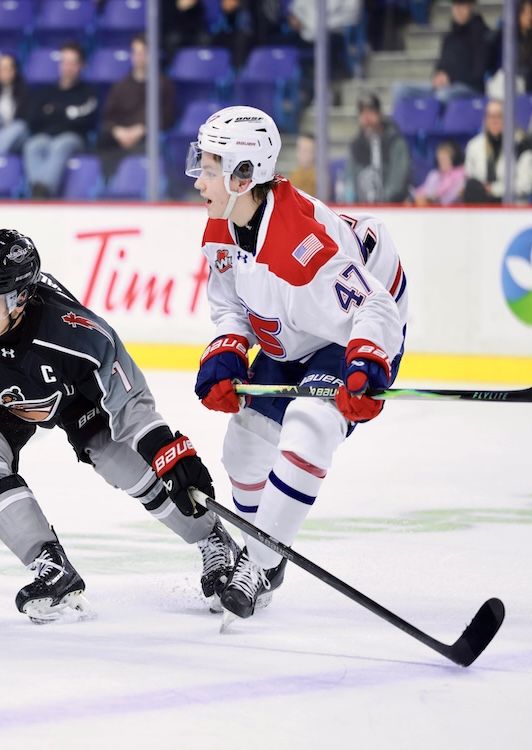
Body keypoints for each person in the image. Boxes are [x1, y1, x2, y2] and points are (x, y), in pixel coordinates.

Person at [0, 229, 241, 622]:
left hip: (73, 395)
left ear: (20, 299)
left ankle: (211, 537)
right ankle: (51, 568)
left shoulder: (73, 332)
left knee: (120, 461)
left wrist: (163, 450)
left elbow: (129, 399)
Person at [184, 106, 409, 619]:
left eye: (211, 168)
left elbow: (375, 307)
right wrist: (226, 347)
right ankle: (262, 551)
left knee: (309, 426)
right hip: (289, 341)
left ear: (245, 176)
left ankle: (260, 562)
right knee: (242, 449)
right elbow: (228, 305)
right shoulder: (222, 225)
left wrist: (369, 361)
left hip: (346, 336)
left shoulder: (303, 246)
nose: (200, 180)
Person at [22, 42, 98, 198]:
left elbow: (86, 121)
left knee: (61, 144)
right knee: (32, 145)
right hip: (46, 137)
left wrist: (54, 112)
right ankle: (38, 189)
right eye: (64, 62)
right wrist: (64, 114)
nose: (67, 67)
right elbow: (33, 120)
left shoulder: (88, 93)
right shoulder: (46, 91)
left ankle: (44, 190)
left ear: (81, 65)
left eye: (72, 62)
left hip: (74, 138)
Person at [97, 35, 176, 180]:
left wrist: (142, 129)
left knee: (151, 146)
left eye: (143, 52)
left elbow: (167, 117)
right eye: (136, 52)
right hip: (119, 137)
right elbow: (108, 117)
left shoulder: (163, 85)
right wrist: (117, 131)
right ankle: (106, 186)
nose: (139, 57)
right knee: (102, 141)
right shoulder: (120, 85)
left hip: (146, 136)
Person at [463, 98, 532, 203]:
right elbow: (470, 177)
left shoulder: (523, 145)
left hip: (513, 207)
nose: (494, 121)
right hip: (482, 205)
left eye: (499, 116)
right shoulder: (474, 145)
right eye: (490, 116)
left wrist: (493, 189)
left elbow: (525, 186)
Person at [345, 92, 411, 203]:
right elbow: (352, 180)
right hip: (364, 210)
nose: (367, 117)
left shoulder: (394, 142)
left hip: (393, 209)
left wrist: (381, 203)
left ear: (379, 114)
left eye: (371, 111)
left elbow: (397, 182)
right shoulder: (356, 145)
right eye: (362, 113)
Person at [432, 0, 491, 99]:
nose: (458, 9)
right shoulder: (449, 37)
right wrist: (438, 75)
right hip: (446, 87)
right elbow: (441, 64)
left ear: (471, 7)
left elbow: (478, 72)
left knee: (442, 95)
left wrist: (450, 78)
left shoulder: (482, 34)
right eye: (455, 5)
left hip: (471, 88)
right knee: (402, 90)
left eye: (462, 5)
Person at [410, 140, 466, 207]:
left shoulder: (460, 176)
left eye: (444, 159)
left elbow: (451, 198)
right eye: (440, 159)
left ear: (453, 159)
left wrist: (433, 199)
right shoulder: (434, 175)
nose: (441, 162)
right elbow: (423, 190)